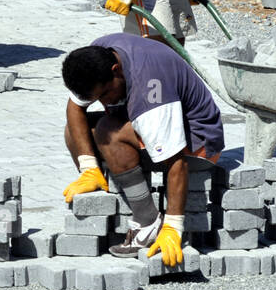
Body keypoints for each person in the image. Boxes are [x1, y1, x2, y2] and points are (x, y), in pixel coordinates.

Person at [61, 34, 224, 265]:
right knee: (75, 132)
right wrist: (89, 167)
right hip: (152, 124)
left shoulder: (150, 88)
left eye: (106, 94)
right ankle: (103, 184)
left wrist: (173, 226)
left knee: (110, 131)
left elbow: (176, 162)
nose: (105, 101)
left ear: (116, 70)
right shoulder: (98, 53)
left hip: (198, 144)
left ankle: (148, 223)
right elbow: (75, 107)